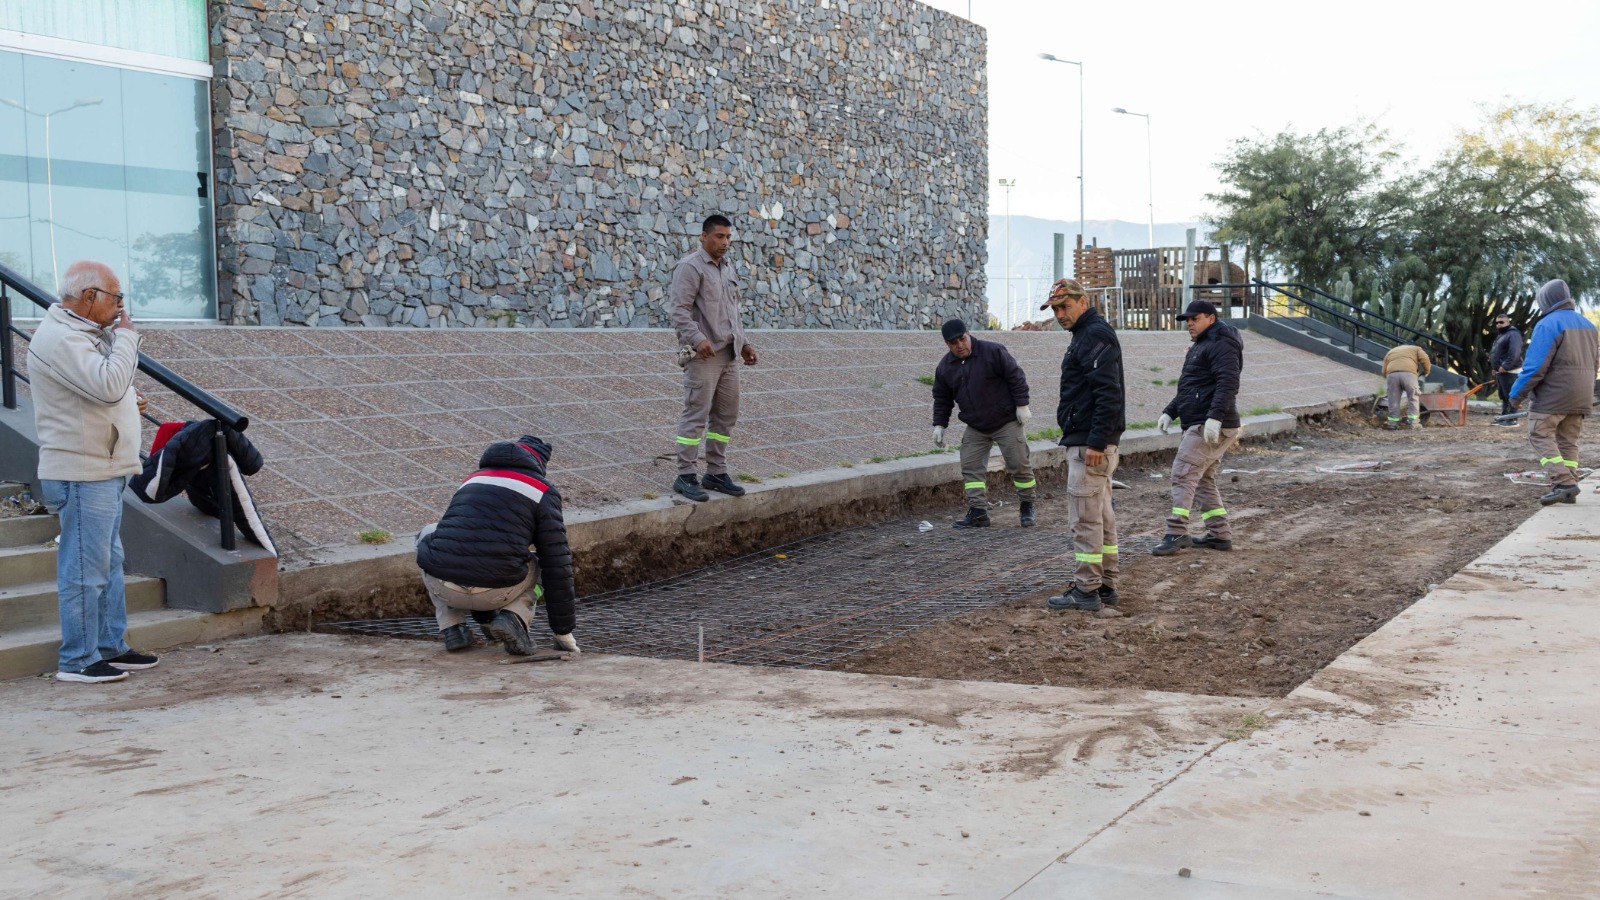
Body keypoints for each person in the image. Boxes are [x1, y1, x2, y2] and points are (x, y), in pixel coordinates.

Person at [27, 260, 158, 683]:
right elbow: (105, 385)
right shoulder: (62, 338)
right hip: (83, 472)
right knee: (86, 569)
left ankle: (109, 647)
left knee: (108, 563)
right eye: (116, 297)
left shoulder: (81, 334)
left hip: (102, 468)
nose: (121, 308)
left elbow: (102, 391)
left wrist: (127, 402)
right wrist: (126, 340)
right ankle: (78, 659)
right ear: (89, 297)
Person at [414, 436, 579, 655]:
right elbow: (557, 563)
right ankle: (514, 617)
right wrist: (563, 633)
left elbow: (460, 539)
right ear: (539, 464)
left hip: (444, 588)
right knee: (542, 562)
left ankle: (452, 627)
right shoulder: (541, 490)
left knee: (430, 534)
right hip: (496, 591)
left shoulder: (471, 480)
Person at [1041, 279, 1126, 613]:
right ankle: (1105, 586)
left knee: (1085, 521)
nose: (1060, 314)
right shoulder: (1087, 334)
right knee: (1101, 519)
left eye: (1065, 306)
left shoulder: (1093, 335)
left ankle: (1086, 590)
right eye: (1056, 309)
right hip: (1091, 441)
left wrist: (1096, 440)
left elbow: (1108, 393)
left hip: (1090, 445)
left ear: (1082, 301)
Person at [668, 214, 759, 502]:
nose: (725, 242)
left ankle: (716, 472)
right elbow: (678, 311)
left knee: (726, 416)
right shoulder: (690, 267)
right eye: (719, 236)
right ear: (704, 236)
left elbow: (732, 313)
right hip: (703, 357)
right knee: (695, 415)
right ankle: (685, 475)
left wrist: (744, 344)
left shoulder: (727, 268)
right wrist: (698, 338)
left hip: (729, 355)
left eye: (729, 237)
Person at [1153, 300, 1245, 556]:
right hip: (1202, 420)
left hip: (1210, 423)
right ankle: (1219, 535)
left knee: (1182, 474)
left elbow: (1228, 382)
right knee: (1203, 479)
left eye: (1195, 319)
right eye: (1187, 320)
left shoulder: (1221, 343)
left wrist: (1214, 417)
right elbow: (1192, 385)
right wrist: (1171, 410)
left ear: (1211, 319)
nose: (1190, 324)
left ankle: (1176, 532)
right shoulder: (1203, 345)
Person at [930, 319, 1036, 528]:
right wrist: (939, 425)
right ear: (946, 344)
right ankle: (979, 512)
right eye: (953, 343)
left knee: (1019, 465)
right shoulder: (945, 367)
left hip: (1005, 421)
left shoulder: (992, 352)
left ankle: (1027, 505)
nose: (960, 345)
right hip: (976, 426)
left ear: (968, 334)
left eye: (962, 339)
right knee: (970, 468)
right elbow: (942, 398)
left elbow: (1016, 376)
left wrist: (1022, 405)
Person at [1508, 279, 1598, 506]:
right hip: (1582, 395)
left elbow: (1535, 367)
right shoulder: (1589, 326)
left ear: (1546, 300)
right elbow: (1594, 363)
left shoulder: (1548, 324)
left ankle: (1564, 483)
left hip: (1552, 397)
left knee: (1539, 434)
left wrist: (1515, 395)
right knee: (1568, 441)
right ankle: (1569, 486)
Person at [1380, 344, 1431, 430]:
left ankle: (1393, 423)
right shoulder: (1417, 349)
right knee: (1413, 398)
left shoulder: (1391, 351)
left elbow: (1384, 370)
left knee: (1393, 400)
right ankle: (1414, 423)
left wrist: (1389, 378)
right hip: (1409, 374)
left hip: (1392, 375)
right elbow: (1425, 359)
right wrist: (1426, 371)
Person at [1490, 313, 1524, 420]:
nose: (1499, 324)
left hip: (1511, 371)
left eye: (1501, 322)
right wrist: (1495, 367)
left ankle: (1512, 419)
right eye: (1497, 323)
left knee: (1511, 396)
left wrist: (1505, 366)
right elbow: (1497, 353)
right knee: (1504, 396)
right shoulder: (1502, 335)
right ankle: (1505, 417)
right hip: (1502, 371)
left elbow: (1514, 353)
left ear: (1508, 322)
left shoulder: (1513, 334)